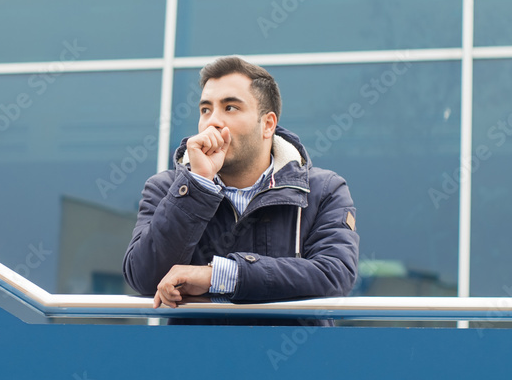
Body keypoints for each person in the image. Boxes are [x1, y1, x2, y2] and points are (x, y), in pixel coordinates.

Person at [122, 56, 358, 309]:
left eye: (230, 107)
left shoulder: (323, 190)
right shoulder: (167, 188)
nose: (213, 121)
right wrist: (198, 185)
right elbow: (144, 277)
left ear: (267, 125)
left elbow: (335, 274)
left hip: (293, 348)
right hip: (198, 349)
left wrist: (218, 276)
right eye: (205, 110)